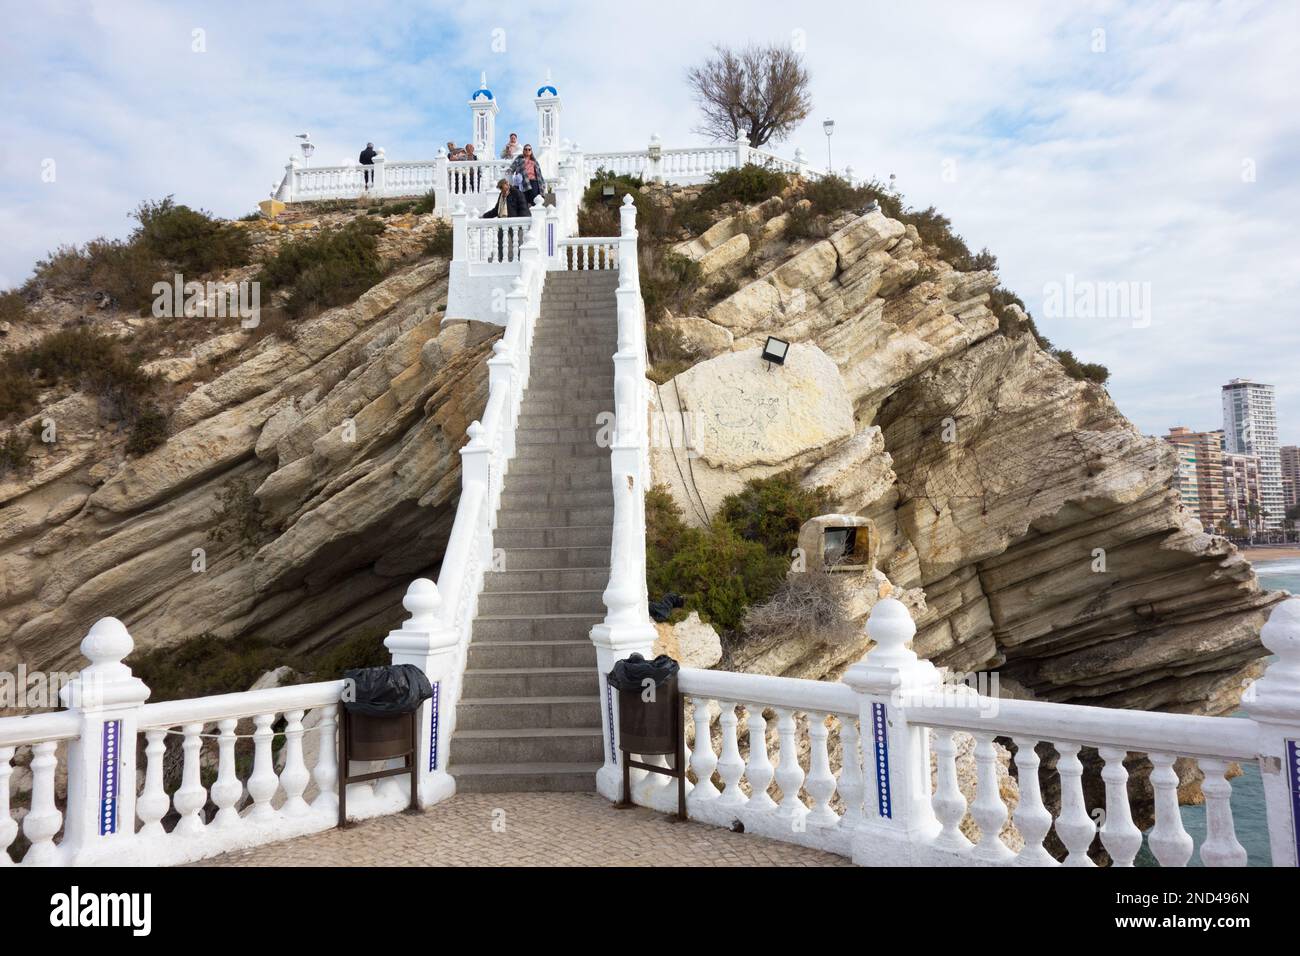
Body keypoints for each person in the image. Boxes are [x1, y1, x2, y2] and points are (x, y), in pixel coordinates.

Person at [481, 178, 529, 261]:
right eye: (500, 188)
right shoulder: (501, 195)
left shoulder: (517, 193)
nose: (501, 190)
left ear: (507, 184)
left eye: (501, 187)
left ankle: (518, 258)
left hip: (513, 222)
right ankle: (501, 258)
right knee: (500, 239)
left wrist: (521, 222)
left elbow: (523, 207)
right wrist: (484, 216)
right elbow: (496, 210)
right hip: (502, 221)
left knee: (516, 241)